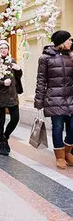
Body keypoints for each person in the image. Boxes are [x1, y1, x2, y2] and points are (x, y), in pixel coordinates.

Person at [34, 30, 73, 169]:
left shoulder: (71, 56)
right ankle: (60, 156)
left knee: (72, 127)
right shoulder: (45, 58)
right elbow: (41, 81)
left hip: (70, 98)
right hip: (54, 99)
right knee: (57, 127)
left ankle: (67, 151)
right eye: (69, 40)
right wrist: (38, 101)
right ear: (62, 42)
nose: (71, 42)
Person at [0, 40, 23, 156]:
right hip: (0, 97)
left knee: (15, 118)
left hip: (12, 96)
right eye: (1, 48)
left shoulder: (11, 61)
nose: (4, 50)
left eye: (5, 48)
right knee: (1, 121)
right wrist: (2, 83)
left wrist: (19, 69)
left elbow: (17, 77)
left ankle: (5, 137)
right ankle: (0, 143)